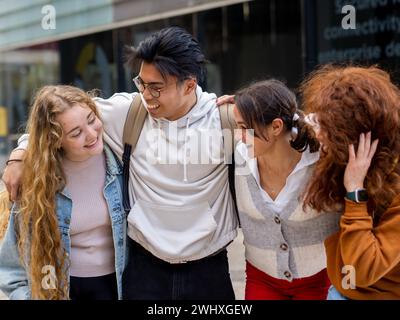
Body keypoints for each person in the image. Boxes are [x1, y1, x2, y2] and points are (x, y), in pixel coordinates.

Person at [2, 27, 238, 300]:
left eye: (156, 88)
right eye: (141, 83)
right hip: (144, 269)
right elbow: (58, 117)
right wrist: (19, 157)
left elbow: (286, 127)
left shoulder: (225, 121)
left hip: (208, 269)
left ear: (189, 85)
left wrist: (254, 106)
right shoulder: (130, 111)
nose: (146, 94)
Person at [0, 85, 126, 300]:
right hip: (61, 289)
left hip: (119, 286)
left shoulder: (119, 157)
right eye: (76, 133)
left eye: (91, 119)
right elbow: (10, 268)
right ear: (56, 140)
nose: (91, 134)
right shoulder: (39, 181)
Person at [217, 80, 340, 299]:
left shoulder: (322, 158)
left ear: (276, 127)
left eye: (245, 128)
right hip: (262, 277)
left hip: (321, 278)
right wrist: (218, 106)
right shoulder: (241, 156)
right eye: (238, 127)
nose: (239, 136)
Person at [300, 65, 400, 300]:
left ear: (352, 133)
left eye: (328, 127)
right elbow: (278, 132)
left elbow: (365, 269)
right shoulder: (346, 157)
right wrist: (233, 111)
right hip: (341, 289)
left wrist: (355, 191)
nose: (319, 134)